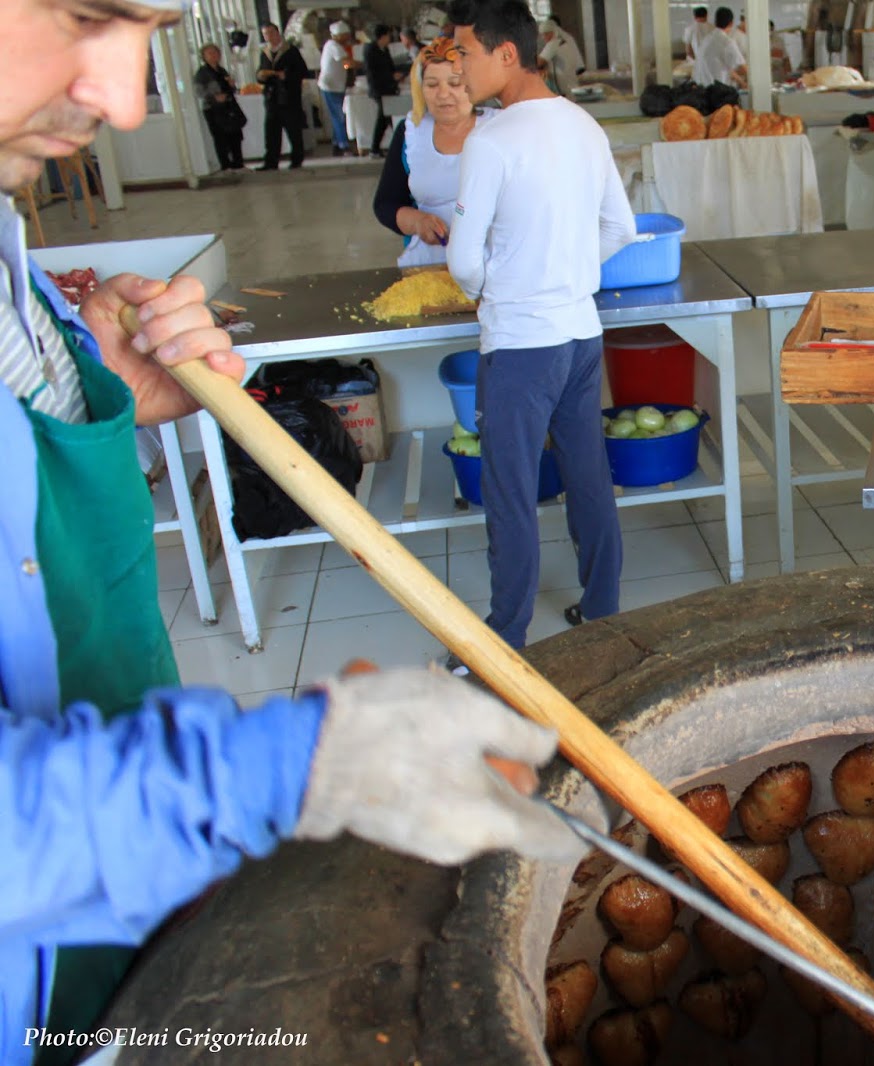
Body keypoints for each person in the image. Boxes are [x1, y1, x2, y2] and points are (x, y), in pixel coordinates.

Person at [0, 0, 581, 1056]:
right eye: (85, 15)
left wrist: (87, 392)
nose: (127, 98)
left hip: (102, 921)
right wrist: (280, 769)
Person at [446, 0, 634, 654]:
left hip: (522, 344)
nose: (455, 67)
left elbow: (464, 259)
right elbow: (623, 229)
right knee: (587, 475)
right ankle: (605, 607)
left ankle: (505, 639)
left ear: (506, 55)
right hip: (581, 335)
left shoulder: (491, 139)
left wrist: (494, 288)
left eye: (464, 52)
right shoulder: (582, 124)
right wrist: (568, 270)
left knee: (509, 494)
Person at [373, 36, 500, 268]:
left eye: (454, 83)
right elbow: (385, 204)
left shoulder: (500, 128)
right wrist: (417, 222)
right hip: (429, 265)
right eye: (432, 85)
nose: (443, 94)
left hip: (495, 266)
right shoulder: (410, 132)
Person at [255, 21, 308, 170]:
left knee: (293, 129)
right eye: (265, 34)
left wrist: (286, 76)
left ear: (278, 33)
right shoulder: (264, 53)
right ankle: (271, 161)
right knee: (271, 131)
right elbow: (260, 73)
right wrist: (262, 76)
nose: (269, 37)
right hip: (272, 97)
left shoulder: (291, 51)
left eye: (271, 33)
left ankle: (297, 159)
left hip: (289, 97)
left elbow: (302, 71)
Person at [194, 42, 245, 170]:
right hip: (213, 109)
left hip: (228, 107)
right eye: (210, 53)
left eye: (216, 52)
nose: (214, 55)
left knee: (235, 135)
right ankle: (225, 165)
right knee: (220, 137)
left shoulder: (222, 71)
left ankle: (238, 164)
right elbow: (199, 91)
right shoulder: (202, 73)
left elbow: (230, 88)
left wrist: (232, 86)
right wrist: (213, 97)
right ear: (204, 56)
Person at [363, 24, 402, 156]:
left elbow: (390, 66)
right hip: (379, 88)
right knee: (384, 117)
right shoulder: (370, 50)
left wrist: (396, 75)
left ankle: (383, 147)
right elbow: (373, 72)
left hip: (389, 87)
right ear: (383, 36)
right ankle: (377, 148)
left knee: (386, 117)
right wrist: (390, 76)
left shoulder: (385, 49)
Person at [318, 19, 356, 156]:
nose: (348, 38)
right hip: (330, 87)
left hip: (336, 86)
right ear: (339, 35)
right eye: (346, 35)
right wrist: (363, 64)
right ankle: (344, 146)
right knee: (339, 117)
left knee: (337, 116)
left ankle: (336, 144)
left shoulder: (334, 46)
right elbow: (347, 63)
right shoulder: (333, 45)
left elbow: (344, 65)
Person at [692, 7, 746, 88]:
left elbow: (728, 69)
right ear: (731, 23)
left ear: (715, 22)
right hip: (716, 91)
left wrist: (741, 82)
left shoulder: (708, 38)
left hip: (701, 87)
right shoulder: (727, 42)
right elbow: (744, 69)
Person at [539, 17, 586, 96]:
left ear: (552, 32)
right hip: (571, 83)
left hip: (564, 87)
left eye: (545, 34)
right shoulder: (565, 40)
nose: (543, 38)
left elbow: (539, 62)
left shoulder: (553, 44)